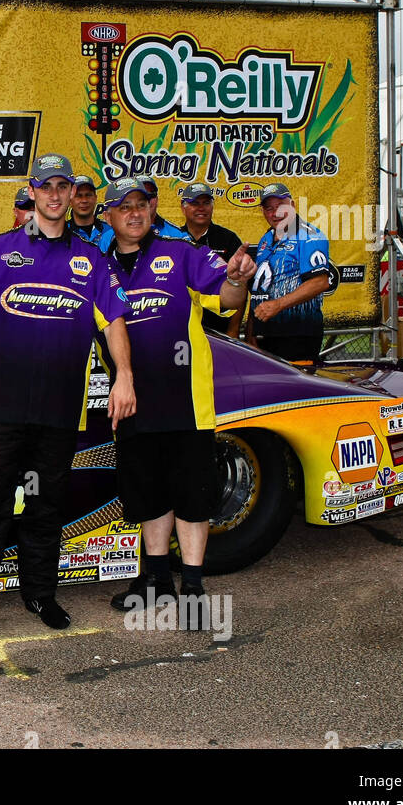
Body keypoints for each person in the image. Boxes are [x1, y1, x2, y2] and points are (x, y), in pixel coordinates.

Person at [0, 154, 137, 644]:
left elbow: (113, 320)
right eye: (46, 186)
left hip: (58, 408)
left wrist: (125, 376)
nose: (55, 195)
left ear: (74, 195)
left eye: (63, 187)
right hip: (0, 407)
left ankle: (40, 594)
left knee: (44, 506)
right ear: (33, 192)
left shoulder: (91, 260)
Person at [96, 177, 255, 614]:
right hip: (132, 404)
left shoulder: (181, 252)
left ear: (152, 209)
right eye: (123, 206)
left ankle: (194, 590)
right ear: (107, 216)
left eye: (141, 204)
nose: (134, 213)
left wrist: (238, 280)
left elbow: (225, 296)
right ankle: (158, 583)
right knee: (149, 497)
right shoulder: (96, 267)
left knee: (190, 498)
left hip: (187, 405)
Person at [247, 182, 333, 363]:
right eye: (269, 208)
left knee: (297, 390)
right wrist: (251, 332)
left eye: (280, 206)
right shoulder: (266, 238)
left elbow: (320, 282)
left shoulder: (309, 235)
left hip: (297, 335)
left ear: (292, 205)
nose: (274, 213)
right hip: (266, 336)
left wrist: (278, 304)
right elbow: (258, 289)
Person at [179, 182, 247, 337]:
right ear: (183, 207)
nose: (201, 208)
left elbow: (241, 286)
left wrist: (233, 330)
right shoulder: (174, 239)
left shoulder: (229, 239)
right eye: (195, 203)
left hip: (220, 330)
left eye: (206, 203)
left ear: (212, 206)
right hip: (182, 327)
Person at [98, 175, 190, 250]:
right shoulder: (107, 238)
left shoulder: (178, 236)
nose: (136, 213)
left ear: (157, 199)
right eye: (125, 207)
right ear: (108, 217)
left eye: (151, 196)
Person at [67, 174, 104, 245]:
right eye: (78, 195)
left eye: (88, 195)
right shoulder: (62, 233)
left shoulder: (110, 231)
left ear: (95, 198)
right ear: (70, 200)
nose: (84, 200)